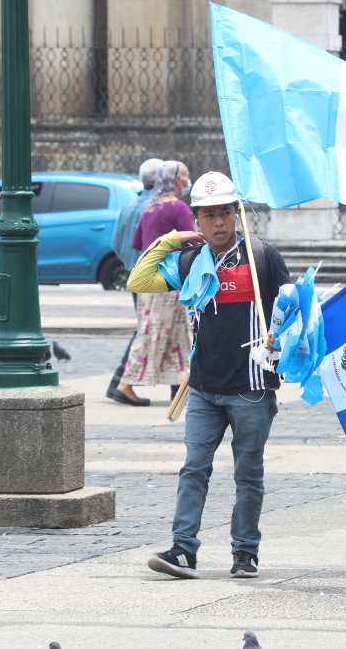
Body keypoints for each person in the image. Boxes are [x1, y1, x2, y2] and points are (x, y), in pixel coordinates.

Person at [128, 171, 290, 580]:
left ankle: (245, 552)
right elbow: (139, 279)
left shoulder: (263, 257)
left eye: (224, 214)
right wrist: (172, 240)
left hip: (252, 388)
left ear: (237, 214)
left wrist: (280, 340)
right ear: (196, 219)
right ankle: (183, 549)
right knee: (194, 467)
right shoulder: (190, 261)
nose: (218, 223)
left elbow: (294, 311)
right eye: (208, 216)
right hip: (202, 388)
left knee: (248, 474)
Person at [115, 160, 194, 405]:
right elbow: (191, 240)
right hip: (167, 282)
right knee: (154, 333)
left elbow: (138, 242)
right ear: (177, 180)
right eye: (186, 176)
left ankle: (181, 384)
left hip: (149, 281)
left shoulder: (150, 207)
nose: (188, 180)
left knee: (176, 335)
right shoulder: (178, 208)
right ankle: (125, 382)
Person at [106, 157, 163, 407]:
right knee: (147, 329)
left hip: (133, 273)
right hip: (152, 277)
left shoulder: (130, 206)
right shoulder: (157, 207)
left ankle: (122, 382)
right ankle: (121, 381)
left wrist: (132, 264)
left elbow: (116, 245)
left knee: (147, 327)